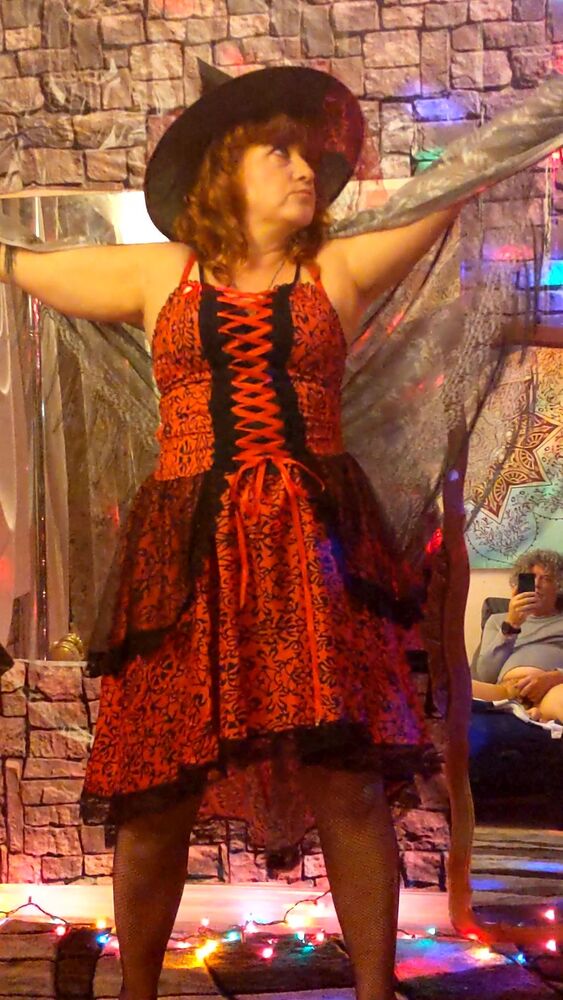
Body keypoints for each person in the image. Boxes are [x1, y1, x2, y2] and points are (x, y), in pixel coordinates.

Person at [1, 63, 562, 1000]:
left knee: (346, 780)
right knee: (157, 789)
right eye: (281, 154)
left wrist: (547, 106)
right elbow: (17, 261)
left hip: (313, 553)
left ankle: (375, 994)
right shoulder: (158, 273)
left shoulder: (335, 269)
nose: (306, 171)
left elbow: (464, 177)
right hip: (186, 553)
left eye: (311, 158)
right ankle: (136, 995)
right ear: (223, 169)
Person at [471, 550, 563, 723]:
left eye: (546, 578)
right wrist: (512, 624)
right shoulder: (497, 620)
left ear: (559, 587)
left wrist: (554, 677)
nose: (536, 584)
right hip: (503, 693)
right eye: (530, 578)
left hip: (550, 691)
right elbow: (485, 675)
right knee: (448, 689)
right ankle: (528, 714)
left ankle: (537, 714)